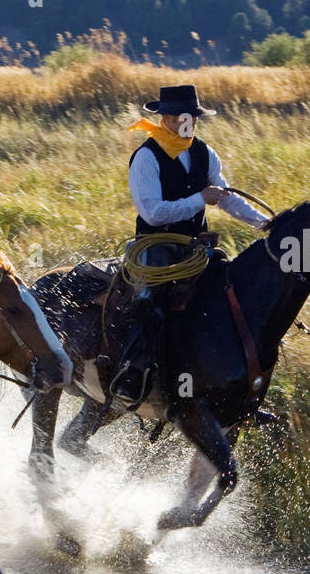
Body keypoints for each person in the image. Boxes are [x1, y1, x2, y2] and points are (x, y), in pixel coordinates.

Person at [113, 84, 271, 406]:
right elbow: (153, 213)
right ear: (167, 118)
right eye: (185, 117)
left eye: (194, 117)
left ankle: (232, 378)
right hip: (156, 244)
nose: (191, 123)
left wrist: (264, 223)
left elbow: (226, 199)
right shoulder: (146, 157)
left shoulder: (204, 152)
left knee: (233, 292)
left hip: (196, 247)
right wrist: (199, 199)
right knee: (149, 301)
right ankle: (133, 370)